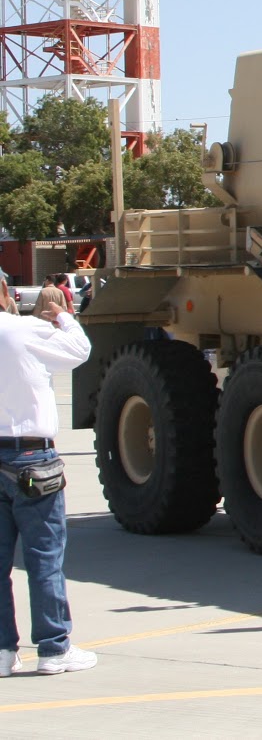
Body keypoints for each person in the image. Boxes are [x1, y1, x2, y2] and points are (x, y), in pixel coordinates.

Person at [0, 284, 94, 676]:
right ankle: (54, 647)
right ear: (4, 291)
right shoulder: (20, 330)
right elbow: (78, 350)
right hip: (30, 455)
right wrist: (61, 315)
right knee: (44, 558)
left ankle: (4, 652)